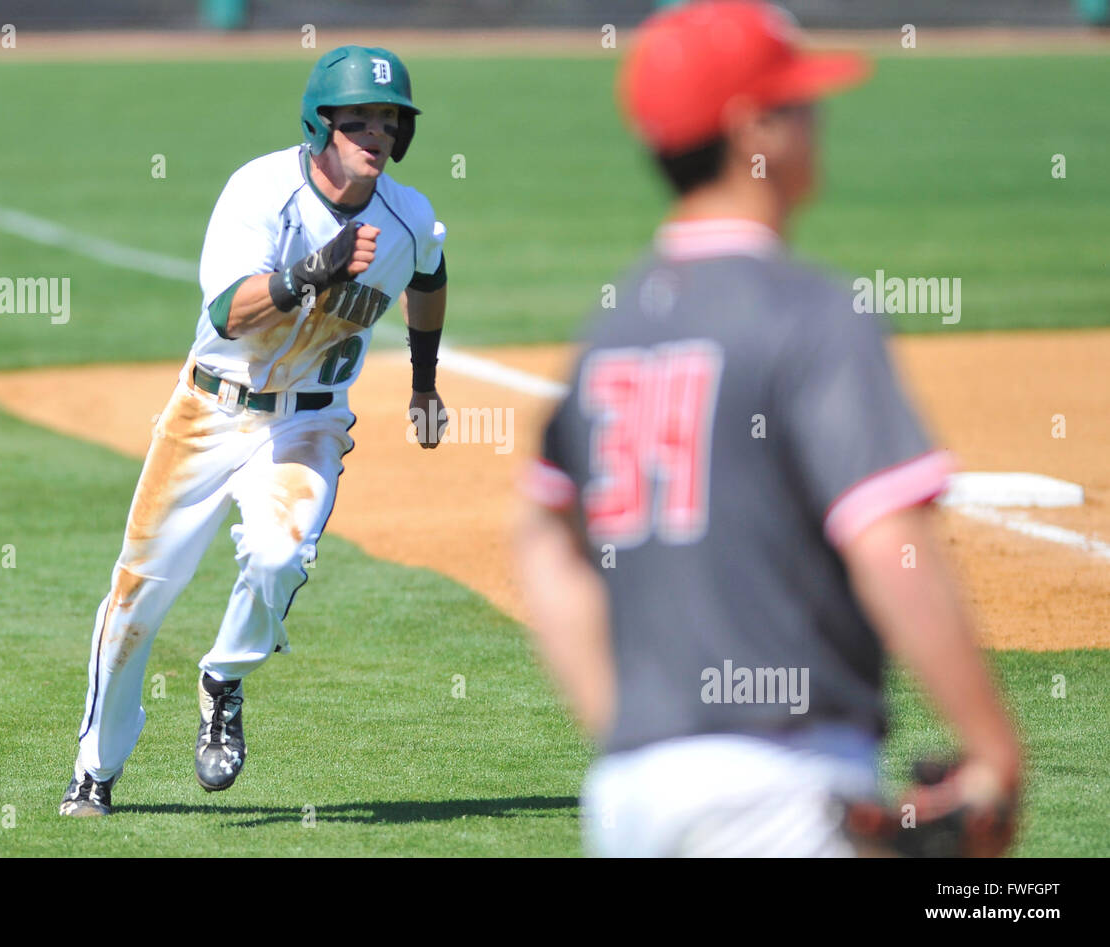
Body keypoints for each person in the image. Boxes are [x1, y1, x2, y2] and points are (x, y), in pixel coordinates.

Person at [517, 1, 1021, 856]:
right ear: (755, 127)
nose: (818, 122)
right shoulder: (812, 314)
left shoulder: (613, 328)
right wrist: (993, 749)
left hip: (633, 799)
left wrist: (633, 724)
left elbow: (539, 540)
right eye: (799, 103)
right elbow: (886, 540)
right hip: (782, 790)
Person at [61, 45, 449, 817]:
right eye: (356, 122)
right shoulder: (260, 192)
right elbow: (225, 312)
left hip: (307, 428)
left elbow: (431, 277)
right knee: (133, 602)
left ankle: (223, 677)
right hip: (210, 413)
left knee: (277, 555)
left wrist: (424, 382)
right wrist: (313, 272)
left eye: (388, 122)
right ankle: (95, 771)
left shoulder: (408, 218)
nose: (374, 135)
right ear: (321, 125)